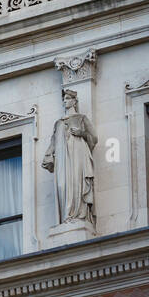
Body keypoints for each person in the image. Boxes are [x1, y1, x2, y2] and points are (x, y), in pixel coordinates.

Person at [42, 89, 98, 225]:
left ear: (74, 101)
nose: (65, 101)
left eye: (67, 98)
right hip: (62, 159)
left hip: (78, 155)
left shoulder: (81, 118)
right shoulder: (58, 123)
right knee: (62, 185)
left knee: (76, 182)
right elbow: (53, 142)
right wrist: (48, 155)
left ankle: (78, 215)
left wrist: (82, 133)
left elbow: (94, 138)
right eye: (64, 99)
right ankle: (66, 216)